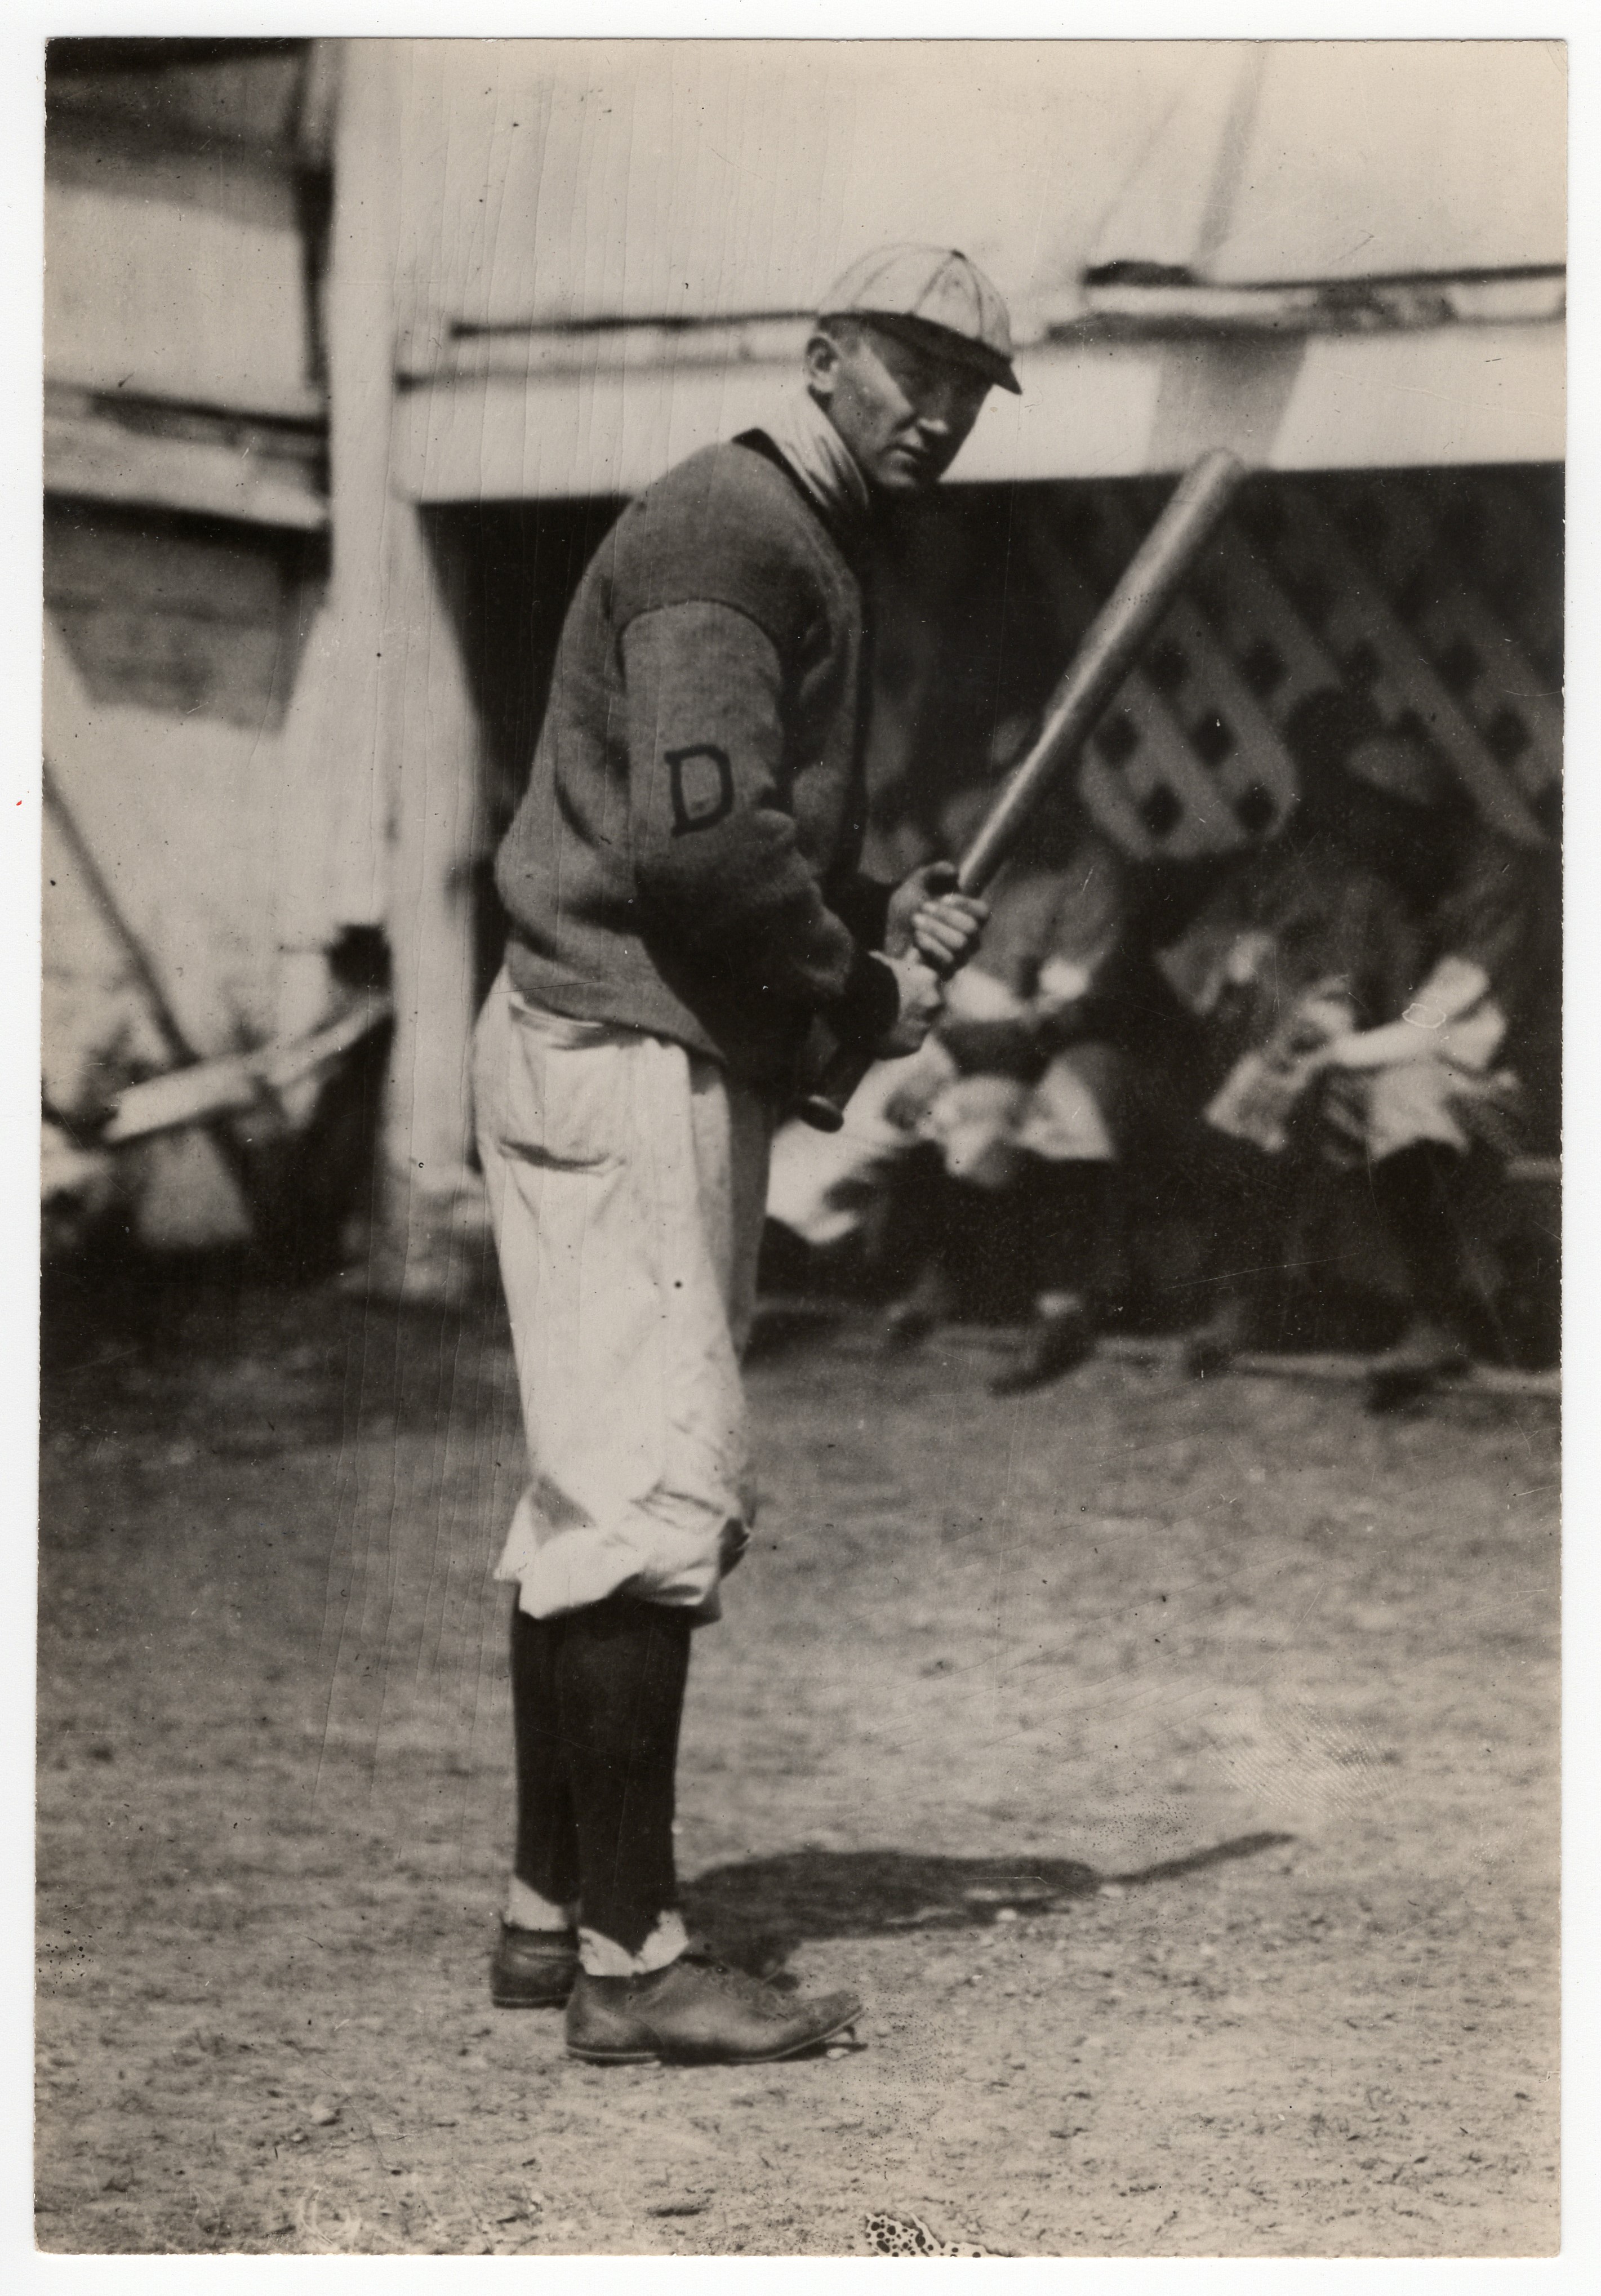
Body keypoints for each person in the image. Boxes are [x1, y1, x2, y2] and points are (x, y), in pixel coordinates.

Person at [472, 246, 1009, 2064]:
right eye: (908, 367)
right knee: (648, 1498)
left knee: (591, 1489)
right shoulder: (739, 536)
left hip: (603, 1024)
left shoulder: (778, 531)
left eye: (965, 384)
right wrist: (857, 991)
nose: (933, 408)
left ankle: (554, 1912)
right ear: (823, 357)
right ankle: (638, 1965)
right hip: (629, 1039)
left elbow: (712, 823)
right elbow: (699, 862)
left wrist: (867, 916)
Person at [1177, 689, 1553, 1405]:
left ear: (1420, 820)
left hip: (1499, 1081)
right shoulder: (1382, 881)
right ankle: (1243, 1296)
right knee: (1277, 1069)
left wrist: (1339, 1052)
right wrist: (1306, 1023)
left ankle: (1434, 1319)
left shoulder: (1497, 879)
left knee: (1404, 1089)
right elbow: (1352, 982)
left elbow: (1439, 1027)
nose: (1362, 845)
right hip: (1399, 1066)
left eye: (1379, 828)